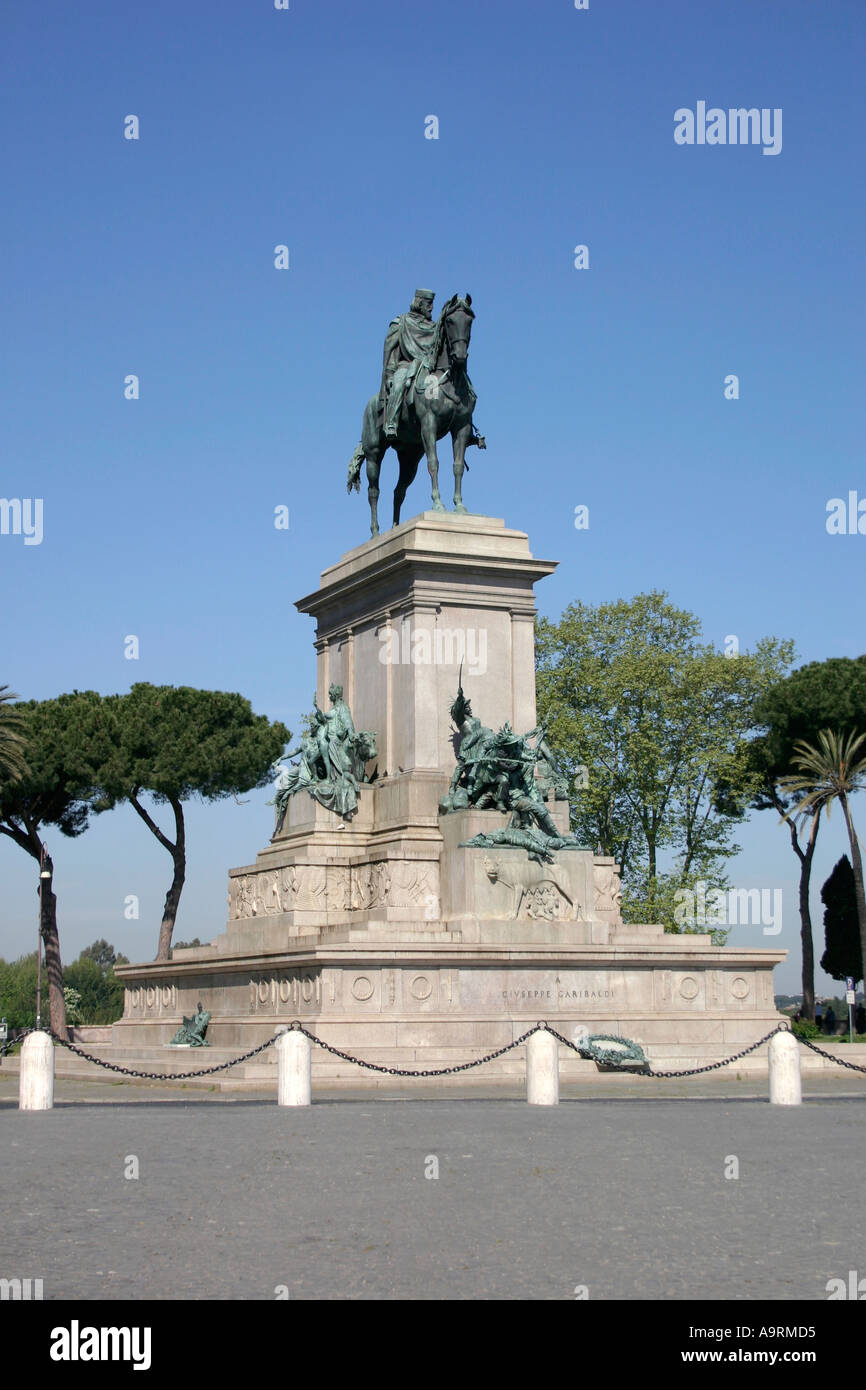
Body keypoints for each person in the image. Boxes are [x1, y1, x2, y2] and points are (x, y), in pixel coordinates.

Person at [380, 289, 437, 438]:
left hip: (428, 368)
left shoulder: (435, 328)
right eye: (429, 304)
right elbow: (390, 350)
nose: (432, 308)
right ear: (419, 303)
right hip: (406, 366)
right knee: (399, 385)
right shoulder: (402, 322)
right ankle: (391, 422)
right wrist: (390, 374)